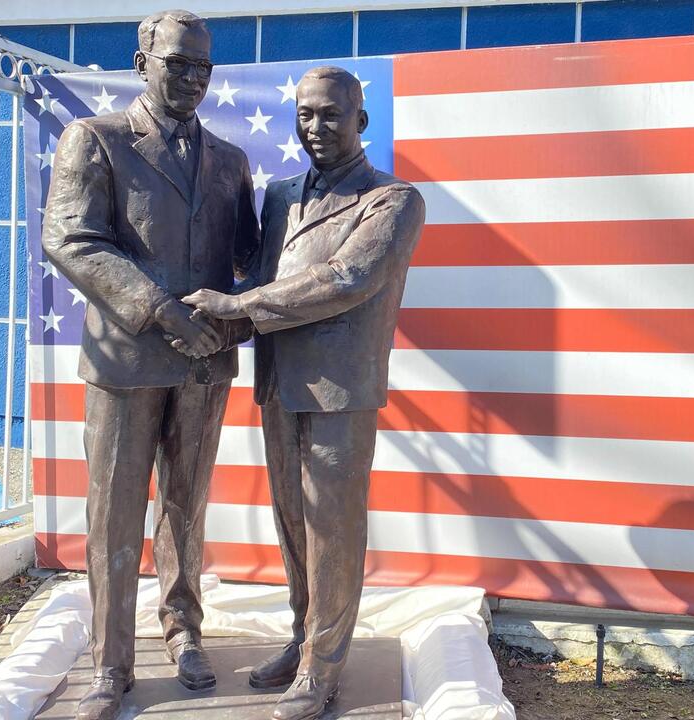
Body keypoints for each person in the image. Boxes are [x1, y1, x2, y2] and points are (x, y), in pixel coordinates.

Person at [183, 66, 425, 720]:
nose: (315, 126)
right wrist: (193, 303)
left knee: (332, 530)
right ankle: (301, 638)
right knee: (293, 523)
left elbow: (347, 278)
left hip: (341, 390)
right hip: (279, 385)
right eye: (305, 114)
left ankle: (323, 668)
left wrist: (238, 307)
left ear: (360, 121)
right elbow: (263, 274)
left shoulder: (393, 199)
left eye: (331, 114)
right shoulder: (281, 195)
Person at [42, 10, 259, 720]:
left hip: (204, 364)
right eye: (178, 64)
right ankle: (111, 661)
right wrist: (161, 309)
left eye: (204, 67)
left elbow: (248, 256)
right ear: (142, 63)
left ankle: (184, 630)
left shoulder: (229, 159)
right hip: (126, 359)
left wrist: (240, 310)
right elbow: (71, 238)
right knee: (113, 514)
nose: (194, 78)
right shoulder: (96, 139)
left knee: (186, 507)